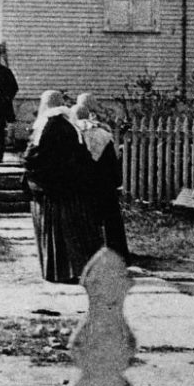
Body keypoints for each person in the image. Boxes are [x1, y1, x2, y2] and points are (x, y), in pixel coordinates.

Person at [24, 89, 104, 283]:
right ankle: (73, 269)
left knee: (56, 232)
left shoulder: (47, 125)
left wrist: (31, 175)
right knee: (72, 230)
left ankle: (58, 271)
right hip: (71, 186)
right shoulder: (70, 125)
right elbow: (82, 155)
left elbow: (34, 156)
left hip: (53, 188)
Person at [71, 92, 130, 260]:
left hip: (86, 181)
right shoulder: (103, 131)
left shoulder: (75, 132)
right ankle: (117, 253)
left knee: (88, 218)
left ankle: (90, 253)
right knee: (110, 218)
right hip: (105, 181)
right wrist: (115, 179)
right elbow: (112, 158)